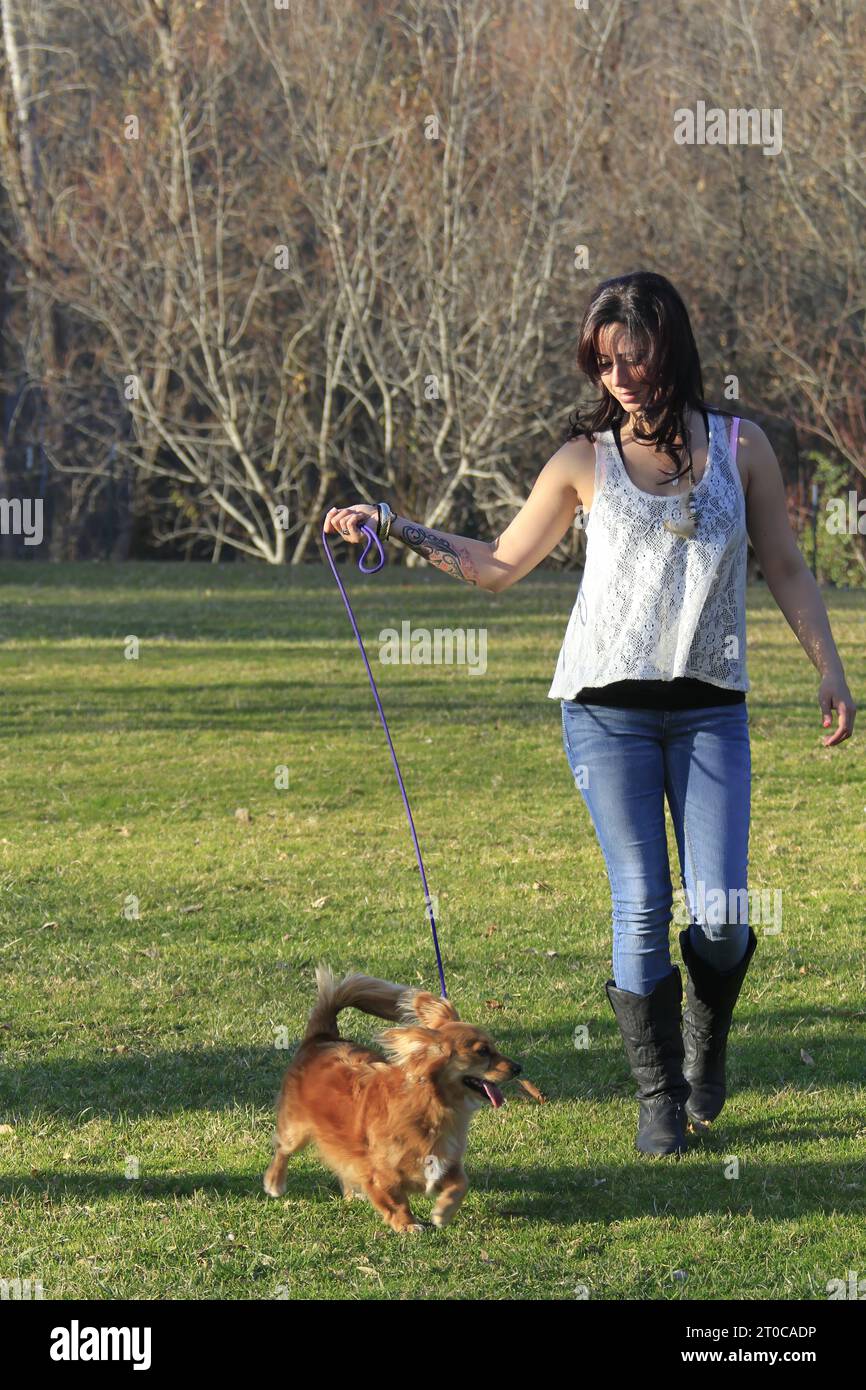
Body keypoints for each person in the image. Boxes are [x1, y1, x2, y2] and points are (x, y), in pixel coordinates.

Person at [323, 270, 856, 1157]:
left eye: (634, 357)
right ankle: (659, 1096)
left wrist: (830, 670)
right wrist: (395, 524)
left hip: (711, 710)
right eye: (605, 364)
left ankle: (705, 1046)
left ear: (670, 349)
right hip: (605, 712)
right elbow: (498, 564)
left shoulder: (743, 446)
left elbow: (788, 567)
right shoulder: (585, 460)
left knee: (722, 914)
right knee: (641, 900)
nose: (622, 378)